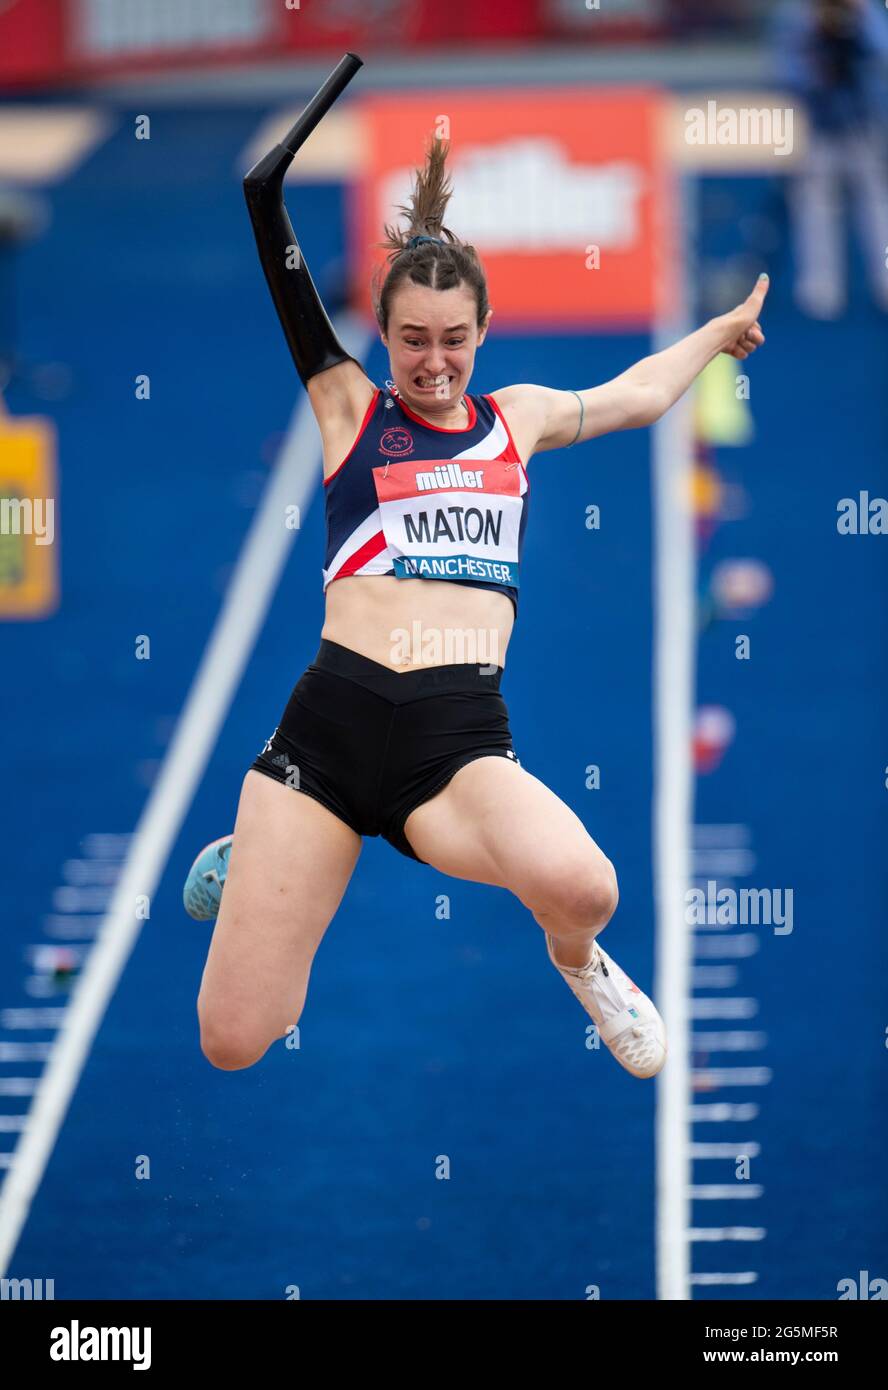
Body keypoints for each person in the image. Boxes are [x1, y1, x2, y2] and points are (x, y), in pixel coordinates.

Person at [190, 133, 767, 1080]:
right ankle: (260, 844)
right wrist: (266, 197)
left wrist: (714, 333)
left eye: (454, 339)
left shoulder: (519, 419)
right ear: (383, 334)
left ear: (484, 331)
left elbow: (635, 396)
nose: (433, 362)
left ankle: (580, 968)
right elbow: (285, 274)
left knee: (587, 889)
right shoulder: (351, 411)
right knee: (236, 1039)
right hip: (328, 735)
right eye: (412, 340)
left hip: (454, 751)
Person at [773, 0, 888, 317]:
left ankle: (885, 284)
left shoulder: (864, 12)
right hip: (820, 126)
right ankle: (820, 293)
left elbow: (883, 52)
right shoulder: (797, 16)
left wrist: (861, 18)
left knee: (877, 207)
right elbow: (787, 73)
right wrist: (816, 69)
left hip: (862, 124)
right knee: (816, 207)